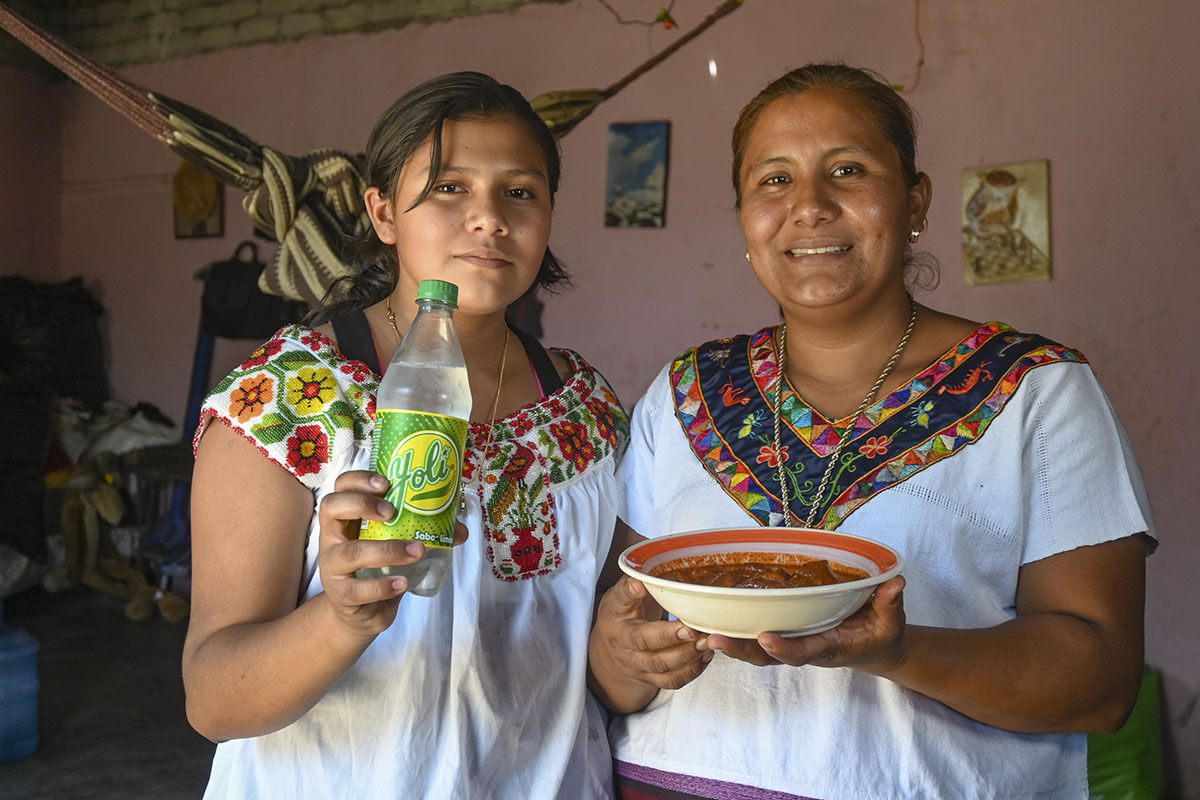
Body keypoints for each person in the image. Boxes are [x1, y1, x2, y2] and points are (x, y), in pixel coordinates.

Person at [588, 63, 1154, 800]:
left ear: (914, 201)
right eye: (774, 180)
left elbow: (1102, 682)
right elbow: (618, 666)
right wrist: (624, 655)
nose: (810, 207)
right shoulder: (683, 391)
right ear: (744, 217)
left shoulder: (1038, 391)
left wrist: (899, 651)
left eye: (847, 171)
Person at [184, 71, 628, 799]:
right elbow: (214, 700)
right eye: (449, 188)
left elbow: (607, 648)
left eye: (521, 191)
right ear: (383, 211)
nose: (488, 218)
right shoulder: (290, 399)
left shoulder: (583, 409)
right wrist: (339, 618)